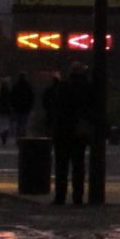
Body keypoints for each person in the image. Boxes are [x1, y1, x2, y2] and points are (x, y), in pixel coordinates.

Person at [46, 65, 94, 205]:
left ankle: (60, 196)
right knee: (78, 166)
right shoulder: (87, 88)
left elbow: (54, 107)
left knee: (62, 166)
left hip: (62, 131)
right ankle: (77, 197)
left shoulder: (62, 87)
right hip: (78, 132)